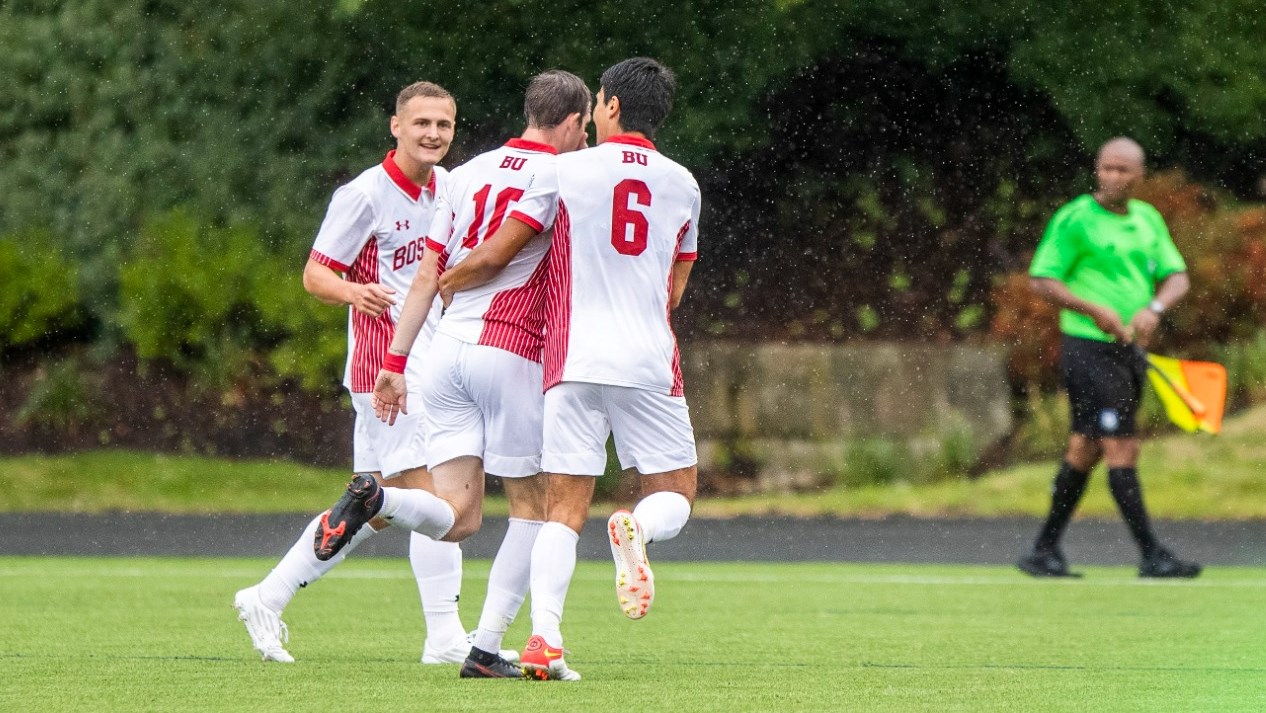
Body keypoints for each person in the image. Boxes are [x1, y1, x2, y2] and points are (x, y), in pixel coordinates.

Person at [437, 57, 700, 681]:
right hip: (646, 358)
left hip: (571, 358)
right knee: (677, 496)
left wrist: (449, 279)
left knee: (561, 510)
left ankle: (544, 642)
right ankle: (636, 526)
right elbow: (674, 292)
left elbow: (501, 250)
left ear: (607, 106)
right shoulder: (683, 183)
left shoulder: (565, 170)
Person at [233, 81, 509, 665]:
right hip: (385, 370)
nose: (433, 134)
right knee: (430, 499)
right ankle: (443, 636)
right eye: (422, 124)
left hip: (427, 367)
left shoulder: (453, 189)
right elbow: (314, 274)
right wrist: (352, 291)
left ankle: (268, 595)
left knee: (375, 513)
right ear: (396, 126)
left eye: (444, 124)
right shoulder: (365, 194)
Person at [347, 69, 592, 679]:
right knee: (535, 509)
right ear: (571, 122)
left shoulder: (465, 173)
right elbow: (493, 257)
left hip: (442, 355)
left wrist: (395, 363)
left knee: (459, 517)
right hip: (507, 351)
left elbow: (426, 273)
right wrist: (463, 280)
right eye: (584, 127)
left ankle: (383, 499)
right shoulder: (557, 174)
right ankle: (486, 647)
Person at [1017, 137, 1201, 579]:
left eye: (1123, 170)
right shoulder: (1076, 218)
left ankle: (1043, 551)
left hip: (1130, 350)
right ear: (1097, 171)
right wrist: (1093, 309)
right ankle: (1152, 555)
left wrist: (1154, 309)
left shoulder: (1148, 219)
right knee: (1122, 445)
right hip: (1087, 349)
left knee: (1084, 448)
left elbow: (1177, 276)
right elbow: (1043, 279)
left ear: (1139, 177)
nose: (1113, 177)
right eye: (1106, 168)